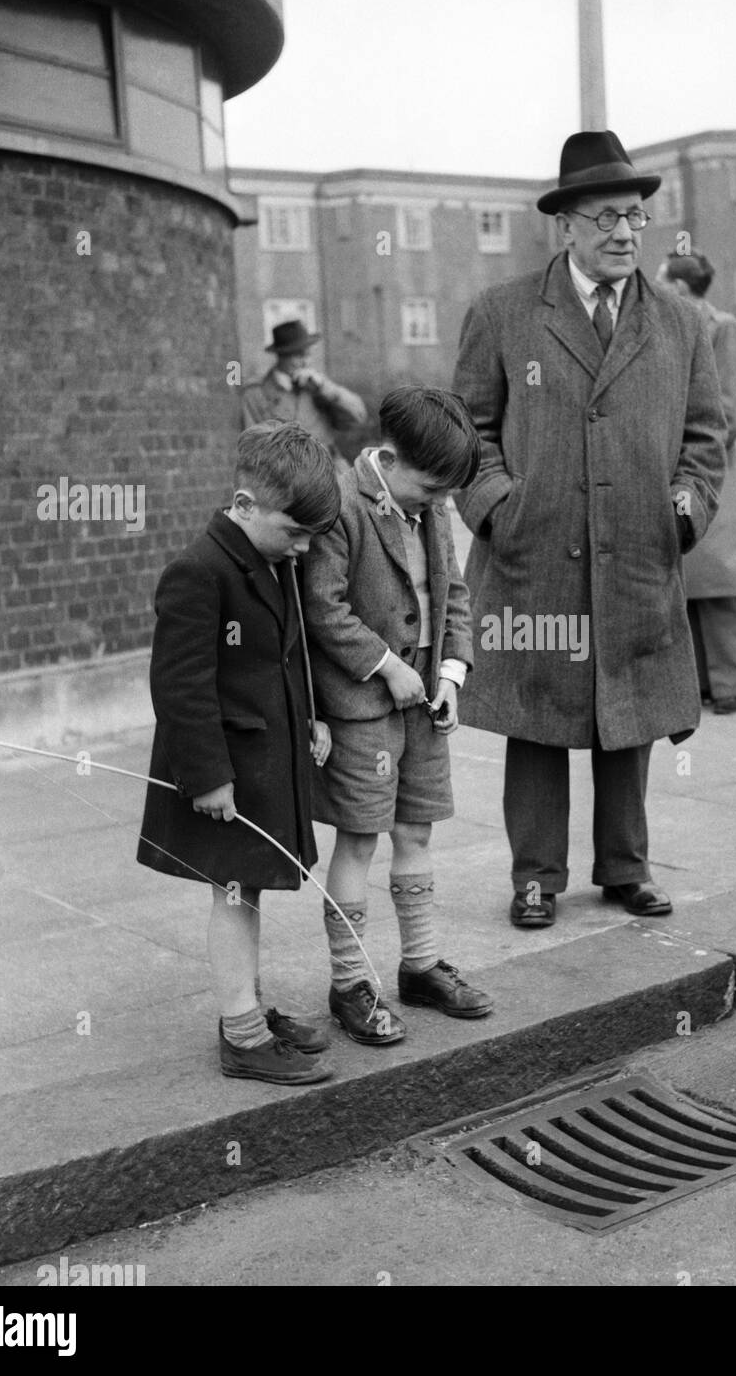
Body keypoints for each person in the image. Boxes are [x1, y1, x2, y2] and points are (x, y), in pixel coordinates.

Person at [453, 130, 727, 930]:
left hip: (639, 548)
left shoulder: (679, 323)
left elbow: (706, 438)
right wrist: (501, 507)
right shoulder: (503, 313)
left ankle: (624, 868)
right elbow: (467, 432)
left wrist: (686, 507)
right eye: (605, 216)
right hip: (532, 556)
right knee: (536, 717)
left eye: (635, 217)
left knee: (629, 706)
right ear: (565, 225)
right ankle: (535, 876)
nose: (623, 233)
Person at [137, 420, 342, 1084]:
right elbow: (180, 685)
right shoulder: (196, 572)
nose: (304, 546)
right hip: (222, 772)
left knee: (248, 889)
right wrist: (206, 777)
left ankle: (246, 1009)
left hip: (265, 759)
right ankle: (242, 1037)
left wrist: (310, 718)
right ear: (246, 504)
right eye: (294, 530)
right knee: (232, 893)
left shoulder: (270, 557)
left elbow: (290, 653)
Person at [303, 385, 493, 1045]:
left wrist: (450, 674)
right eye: (432, 487)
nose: (439, 503)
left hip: (423, 698)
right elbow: (324, 608)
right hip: (363, 704)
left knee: (416, 834)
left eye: (447, 494)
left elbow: (456, 592)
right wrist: (388, 666)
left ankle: (420, 964)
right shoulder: (340, 504)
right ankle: (351, 983)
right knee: (358, 840)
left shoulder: (433, 506)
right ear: (389, 457)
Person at [656, 252, 736, 714]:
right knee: (691, 583)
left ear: (680, 287)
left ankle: (729, 684)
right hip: (677, 467)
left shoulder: (723, 328)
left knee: (717, 583)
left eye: (661, 280)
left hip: (711, 470)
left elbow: (730, 410)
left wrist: (689, 446)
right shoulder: (672, 326)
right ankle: (703, 681)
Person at [241, 319, 367, 467]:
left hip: (328, 472)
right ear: (282, 356)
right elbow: (251, 447)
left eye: (308, 355)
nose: (306, 362)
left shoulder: (318, 386)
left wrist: (323, 387)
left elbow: (358, 416)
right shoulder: (256, 394)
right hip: (285, 478)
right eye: (299, 356)